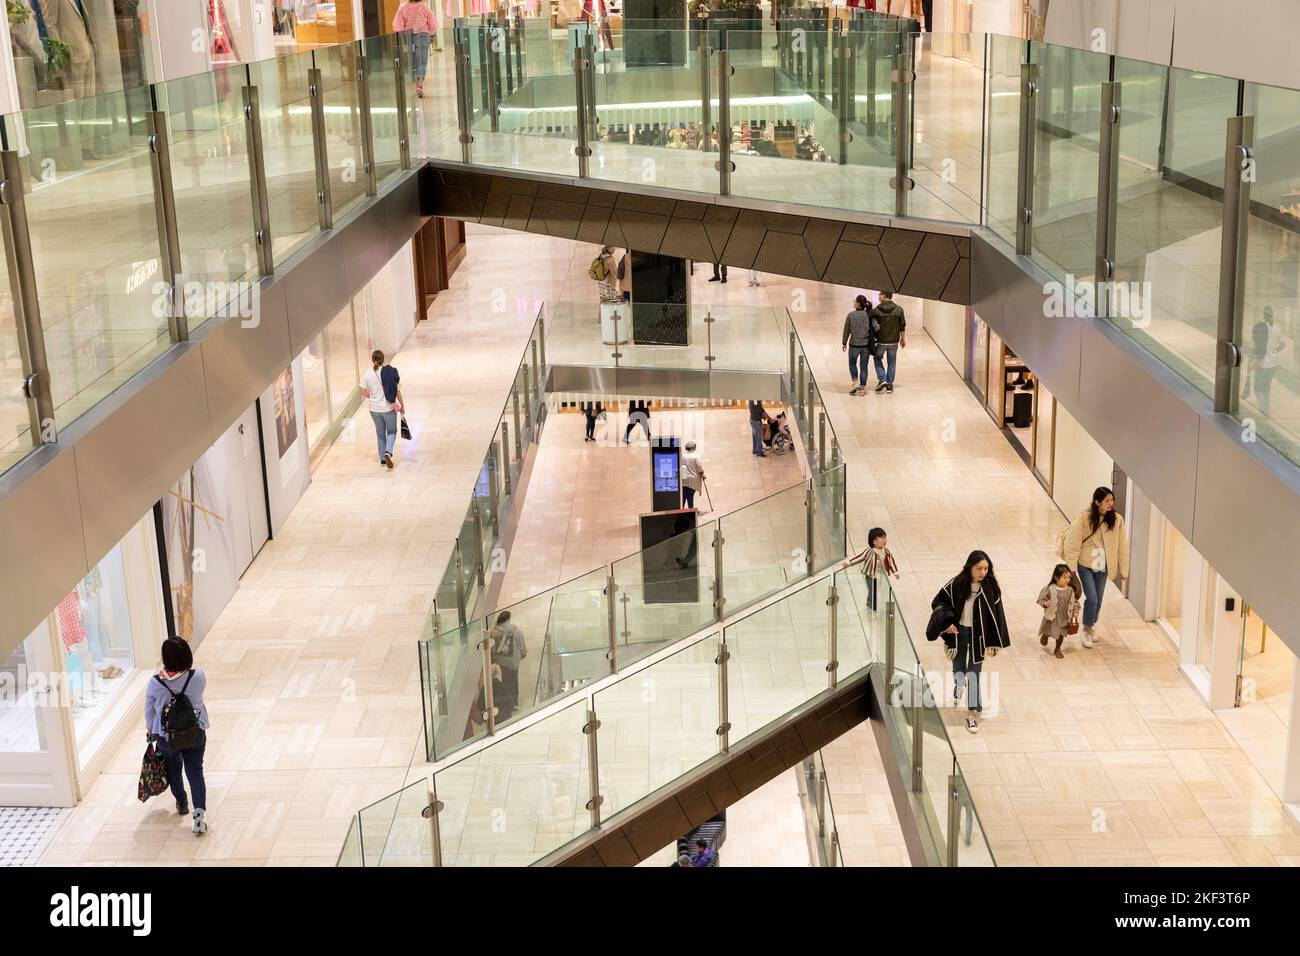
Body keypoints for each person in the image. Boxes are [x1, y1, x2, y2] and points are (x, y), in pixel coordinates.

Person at [930, 550, 1010, 734]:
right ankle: (959, 685)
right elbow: (937, 603)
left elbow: (998, 616)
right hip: (959, 634)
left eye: (986, 568)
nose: (983, 572)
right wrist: (947, 624)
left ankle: (973, 712)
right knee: (959, 670)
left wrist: (994, 641)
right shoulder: (957, 584)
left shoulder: (991, 587)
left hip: (979, 637)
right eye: (979, 568)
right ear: (969, 568)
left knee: (974, 674)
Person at [144, 637, 210, 834]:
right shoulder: (198, 676)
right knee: (195, 772)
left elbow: (149, 711)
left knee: (174, 769)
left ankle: (181, 801)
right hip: (195, 732)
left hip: (167, 736)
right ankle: (199, 818)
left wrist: (151, 729)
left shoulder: (155, 683)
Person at [1061, 486, 1129, 648]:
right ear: (1097, 502)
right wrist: (1071, 567)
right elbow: (1073, 541)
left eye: (1112, 500)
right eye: (1107, 501)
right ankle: (1085, 630)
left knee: (1098, 600)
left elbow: (1123, 546)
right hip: (1086, 564)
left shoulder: (1117, 520)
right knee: (1092, 598)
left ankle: (1090, 625)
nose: (1110, 503)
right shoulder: (1085, 518)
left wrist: (1124, 570)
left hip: (1103, 566)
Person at [360, 349, 404, 470]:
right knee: (391, 431)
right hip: (388, 408)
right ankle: (388, 452)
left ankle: (383, 459)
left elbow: (362, 392)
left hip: (374, 410)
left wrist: (372, 396)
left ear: (373, 360)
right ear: (383, 359)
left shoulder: (367, 373)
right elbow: (397, 391)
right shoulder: (390, 372)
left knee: (380, 433)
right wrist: (402, 405)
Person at [846, 527, 900, 611]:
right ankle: (872, 605)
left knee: (877, 589)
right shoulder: (870, 552)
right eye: (882, 538)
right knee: (873, 591)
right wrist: (849, 562)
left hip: (881, 576)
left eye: (885, 538)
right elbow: (860, 557)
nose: (884, 540)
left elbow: (891, 562)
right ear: (874, 542)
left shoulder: (886, 551)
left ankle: (870, 601)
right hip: (870, 576)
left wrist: (895, 572)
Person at [392, 0, 439, 97]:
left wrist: (402, 38)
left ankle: (416, 84)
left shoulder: (403, 7)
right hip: (423, 36)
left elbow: (398, 26)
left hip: (409, 37)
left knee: (412, 61)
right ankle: (420, 83)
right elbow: (433, 24)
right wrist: (432, 35)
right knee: (422, 61)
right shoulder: (425, 7)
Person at [1246, 306, 1287, 413]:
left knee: (1257, 388)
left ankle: (1264, 407)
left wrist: (1249, 363)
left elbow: (1254, 347)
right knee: (1266, 386)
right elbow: (1282, 344)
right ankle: (1266, 406)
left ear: (1264, 315)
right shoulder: (1277, 328)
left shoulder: (1260, 328)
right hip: (1273, 364)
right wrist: (1274, 351)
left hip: (1261, 363)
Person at [1037, 564, 1082, 660]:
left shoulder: (1070, 590)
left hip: (1065, 617)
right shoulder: (1050, 589)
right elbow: (1040, 599)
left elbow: (1074, 602)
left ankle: (1057, 649)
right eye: (1064, 577)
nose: (1067, 580)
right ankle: (1045, 636)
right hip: (1052, 616)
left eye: (1068, 577)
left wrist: (1076, 611)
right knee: (1049, 629)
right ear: (1056, 577)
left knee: (1061, 634)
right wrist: (1045, 604)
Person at [489, 611, 527, 721]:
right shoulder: (516, 630)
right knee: (514, 681)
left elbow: (492, 648)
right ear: (508, 619)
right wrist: (523, 654)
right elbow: (522, 646)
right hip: (513, 662)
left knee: (504, 680)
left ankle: (505, 699)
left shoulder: (493, 632)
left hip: (500, 661)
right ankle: (514, 702)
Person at [870, 291, 906, 392]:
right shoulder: (899, 309)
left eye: (880, 295)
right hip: (894, 341)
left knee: (877, 358)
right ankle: (889, 385)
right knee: (892, 362)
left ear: (884, 296)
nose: (878, 296)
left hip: (881, 340)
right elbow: (902, 325)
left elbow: (871, 320)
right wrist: (903, 339)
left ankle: (882, 379)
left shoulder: (877, 310)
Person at [841, 294, 875, 395]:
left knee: (852, 363)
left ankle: (855, 381)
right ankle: (862, 388)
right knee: (864, 366)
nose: (853, 302)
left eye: (855, 301)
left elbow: (846, 330)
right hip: (865, 346)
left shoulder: (851, 315)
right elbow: (876, 327)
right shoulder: (868, 315)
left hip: (854, 345)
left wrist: (844, 342)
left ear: (859, 304)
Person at [681, 441, 706, 510]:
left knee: (683, 496)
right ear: (692, 448)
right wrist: (703, 474)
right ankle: (691, 510)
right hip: (693, 480)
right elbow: (699, 467)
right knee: (690, 495)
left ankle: (681, 510)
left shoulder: (682, 455)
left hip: (683, 478)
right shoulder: (695, 456)